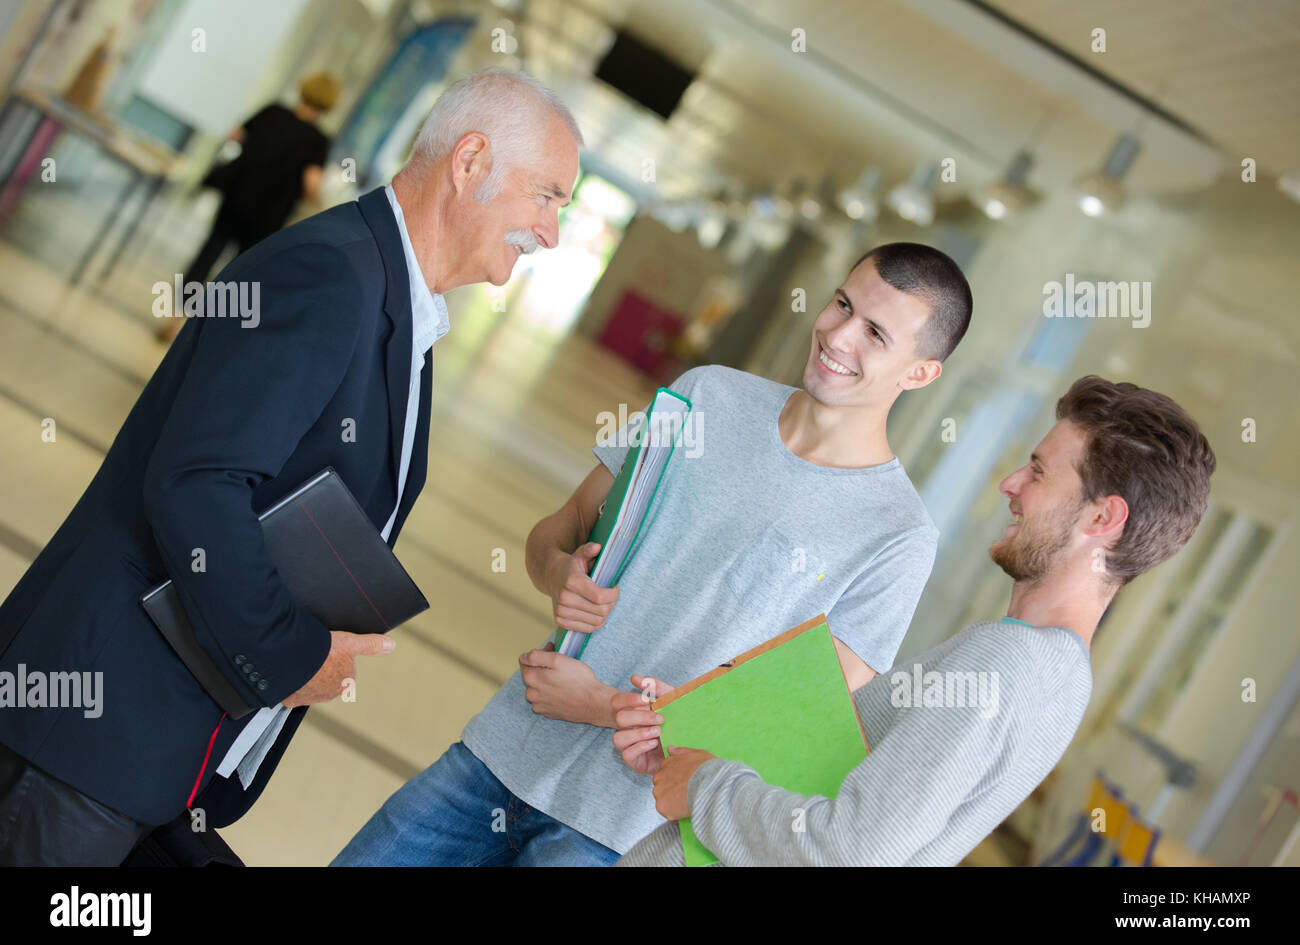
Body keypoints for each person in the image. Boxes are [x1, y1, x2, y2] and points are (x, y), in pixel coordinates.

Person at [0, 68, 582, 866]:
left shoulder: (394, 306)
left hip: (163, 748)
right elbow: (198, 484)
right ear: (471, 160)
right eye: (547, 196)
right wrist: (293, 655)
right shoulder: (332, 276)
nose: (550, 232)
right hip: (96, 728)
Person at [332, 242, 974, 866]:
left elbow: (782, 724)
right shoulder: (703, 395)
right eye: (841, 305)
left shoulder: (898, 537)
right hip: (500, 754)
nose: (839, 337)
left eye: (876, 334)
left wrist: (598, 705)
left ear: (920, 373)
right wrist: (559, 573)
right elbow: (557, 532)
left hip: (625, 837)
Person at [611, 376, 1216, 866]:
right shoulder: (1058, 675)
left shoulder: (1006, 665)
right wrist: (709, 736)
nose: (1010, 484)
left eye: (1037, 471)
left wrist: (708, 785)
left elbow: (851, 851)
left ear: (1103, 518)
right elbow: (842, 782)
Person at [157, 73, 339, 343]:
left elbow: (236, 135)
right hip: (268, 215)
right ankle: (206, 332)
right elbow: (311, 183)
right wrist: (318, 202)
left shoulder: (273, 112)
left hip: (237, 197)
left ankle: (176, 320)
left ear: (304, 91)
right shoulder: (318, 141)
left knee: (208, 253)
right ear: (328, 105)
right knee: (241, 272)